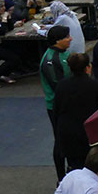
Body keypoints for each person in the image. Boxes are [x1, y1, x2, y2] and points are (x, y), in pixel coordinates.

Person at [54, 53, 98, 172]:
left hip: (68, 133)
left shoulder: (61, 85)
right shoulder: (96, 85)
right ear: (88, 67)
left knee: (76, 167)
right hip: (89, 132)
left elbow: (56, 109)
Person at [40, 25, 71, 179]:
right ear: (57, 41)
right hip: (57, 107)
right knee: (60, 140)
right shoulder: (50, 60)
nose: (70, 39)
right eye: (67, 37)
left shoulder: (64, 54)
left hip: (68, 103)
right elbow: (59, 87)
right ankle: (61, 177)